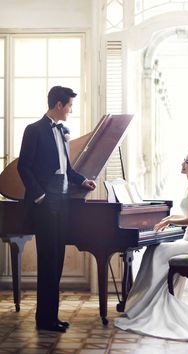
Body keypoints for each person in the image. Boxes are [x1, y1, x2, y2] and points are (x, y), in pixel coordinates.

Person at [115, 149, 188, 340]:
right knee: (155, 251)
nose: (183, 164)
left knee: (155, 251)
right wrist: (170, 217)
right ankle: (144, 302)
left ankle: (145, 304)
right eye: (183, 161)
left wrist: (170, 221)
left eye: (186, 162)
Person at [17, 86, 96, 333]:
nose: (71, 110)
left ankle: (52, 317)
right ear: (59, 105)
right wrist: (40, 196)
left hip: (63, 203)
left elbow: (67, 169)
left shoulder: (64, 131)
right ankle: (44, 319)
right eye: (70, 105)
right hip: (45, 204)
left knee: (57, 262)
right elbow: (24, 168)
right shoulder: (34, 130)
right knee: (48, 262)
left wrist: (83, 180)